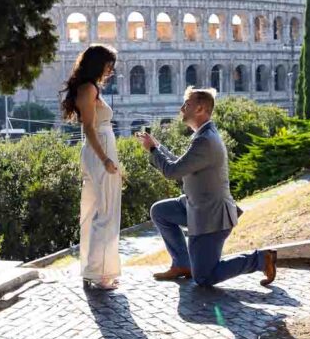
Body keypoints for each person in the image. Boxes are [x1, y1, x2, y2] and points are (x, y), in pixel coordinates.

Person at [136, 87, 276, 287]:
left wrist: (152, 149)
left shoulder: (205, 140)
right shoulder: (203, 135)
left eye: (187, 104)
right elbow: (180, 166)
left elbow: (172, 172)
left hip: (211, 216)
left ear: (200, 108)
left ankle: (261, 260)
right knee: (160, 211)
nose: (182, 109)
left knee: (204, 277)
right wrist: (158, 148)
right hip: (195, 206)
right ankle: (182, 264)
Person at [61, 44, 122, 290]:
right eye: (109, 65)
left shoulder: (90, 88)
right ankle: (99, 273)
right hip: (100, 149)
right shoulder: (88, 89)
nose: (111, 70)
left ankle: (94, 270)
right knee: (104, 212)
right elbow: (89, 128)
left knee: (94, 209)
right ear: (99, 64)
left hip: (101, 149)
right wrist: (106, 159)